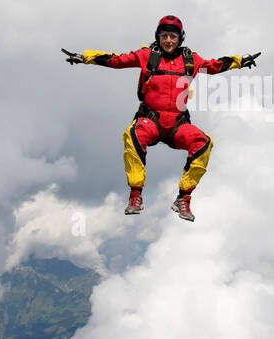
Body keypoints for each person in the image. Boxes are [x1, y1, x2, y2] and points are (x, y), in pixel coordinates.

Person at [62, 15, 261, 221]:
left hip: (177, 124)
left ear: (180, 38)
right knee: (132, 135)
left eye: (172, 36)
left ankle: (183, 198)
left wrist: (240, 61)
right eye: (164, 36)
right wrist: (84, 57)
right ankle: (135, 195)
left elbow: (215, 66)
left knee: (204, 143)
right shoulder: (147, 55)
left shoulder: (191, 59)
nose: (168, 41)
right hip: (151, 120)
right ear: (157, 37)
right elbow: (116, 60)